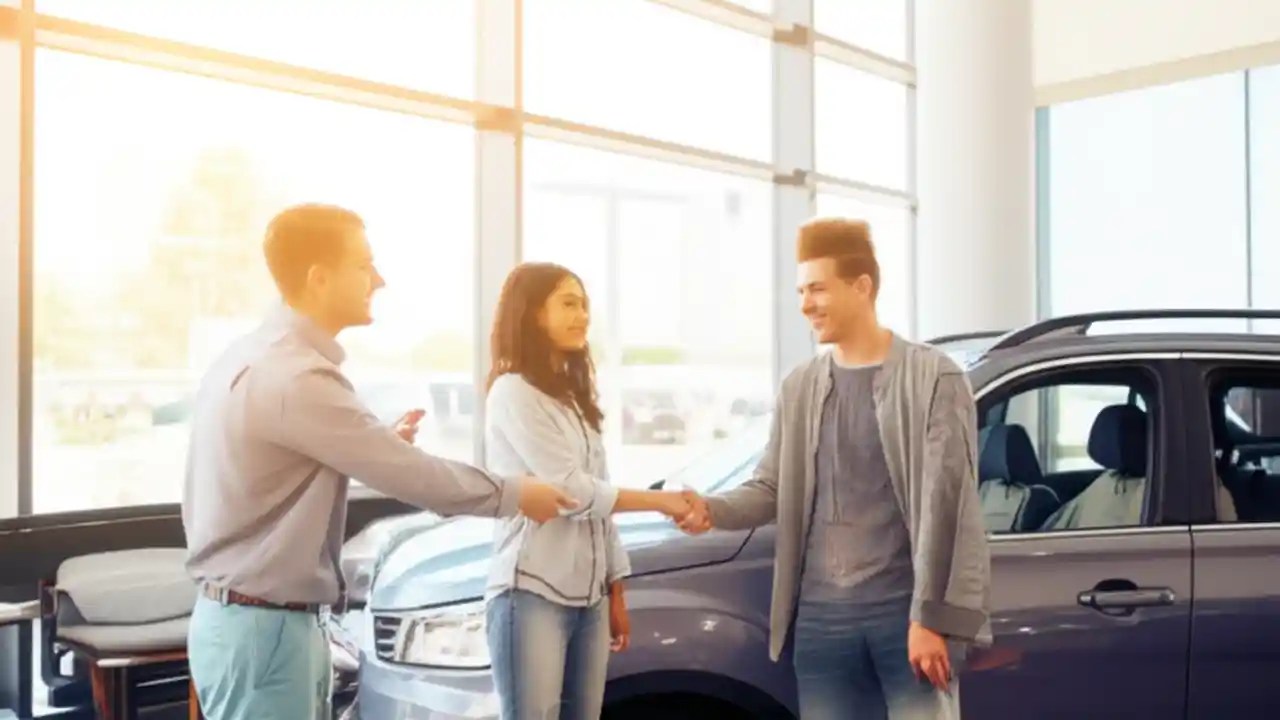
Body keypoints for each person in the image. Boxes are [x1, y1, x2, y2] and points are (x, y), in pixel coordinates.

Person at [182, 204, 574, 720]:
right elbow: (414, 475)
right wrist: (516, 494)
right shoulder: (296, 377)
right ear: (319, 279)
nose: (380, 280)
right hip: (266, 634)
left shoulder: (257, 354)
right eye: (364, 266)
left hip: (249, 624)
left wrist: (373, 442)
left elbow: (274, 470)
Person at [678, 218, 991, 719]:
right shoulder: (799, 387)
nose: (805, 304)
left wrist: (931, 617)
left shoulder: (935, 377)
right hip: (822, 623)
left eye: (818, 288)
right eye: (801, 290)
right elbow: (771, 488)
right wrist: (709, 509)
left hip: (905, 616)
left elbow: (946, 504)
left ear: (862, 286)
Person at [483, 262, 696, 720]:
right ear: (532, 312)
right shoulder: (512, 392)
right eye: (568, 303)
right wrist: (660, 501)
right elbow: (572, 493)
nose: (582, 315)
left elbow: (600, 505)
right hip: (532, 591)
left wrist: (615, 594)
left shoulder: (573, 399)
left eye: (584, 305)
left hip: (590, 600)